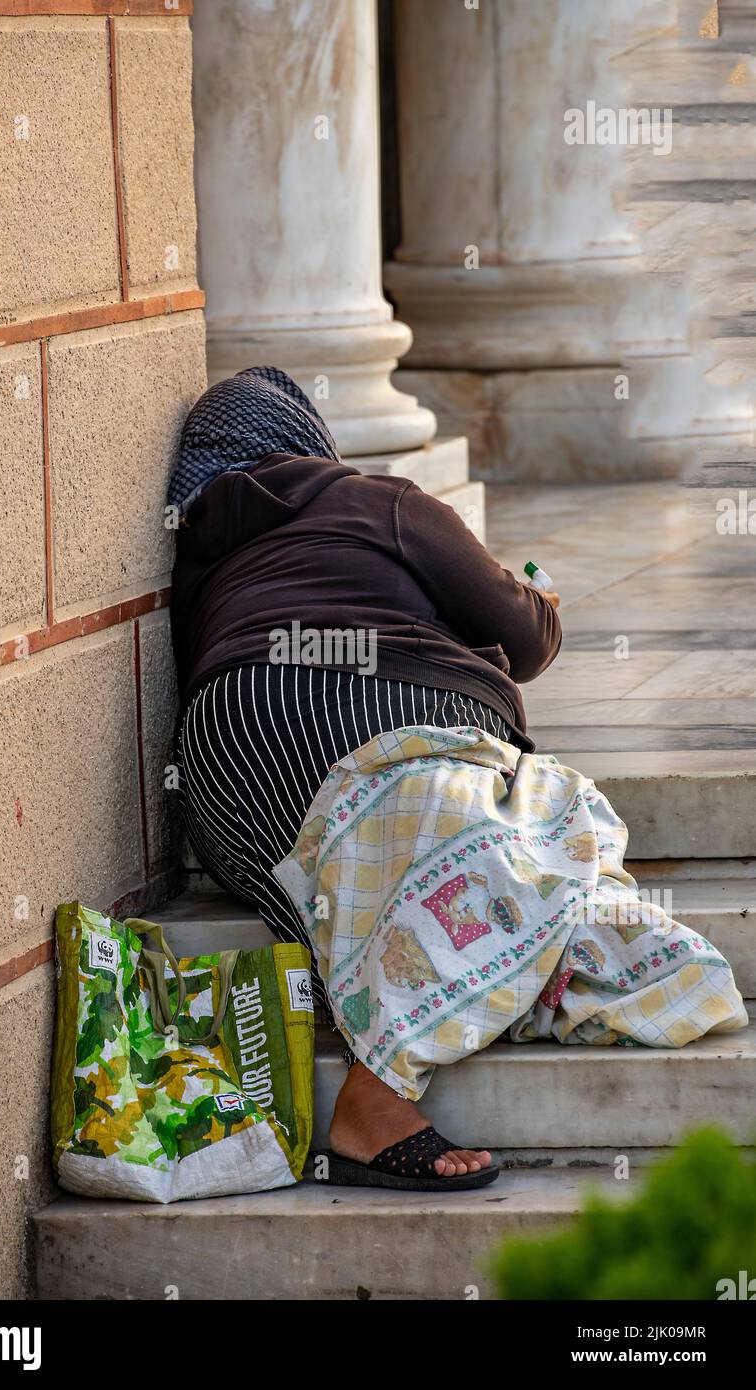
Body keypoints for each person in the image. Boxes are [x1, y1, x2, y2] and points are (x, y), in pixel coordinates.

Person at [168, 367, 746, 1192]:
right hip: (377, 707)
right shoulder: (378, 500)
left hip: (229, 756)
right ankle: (377, 1094)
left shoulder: (199, 558)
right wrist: (541, 598)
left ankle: (410, 997)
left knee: (352, 872)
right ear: (308, 444)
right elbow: (524, 636)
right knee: (532, 822)